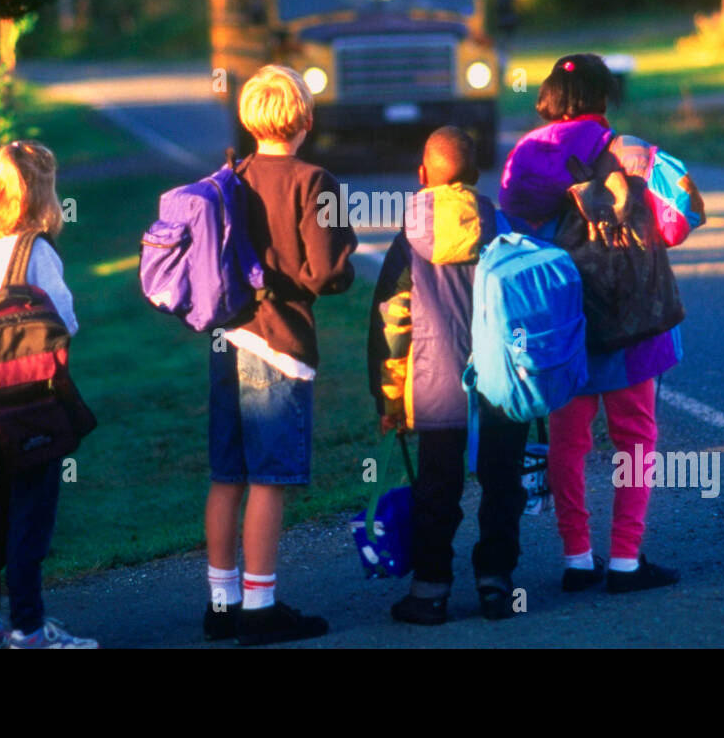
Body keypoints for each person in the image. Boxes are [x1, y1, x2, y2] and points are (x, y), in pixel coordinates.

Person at [499, 54, 701, 594]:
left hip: (563, 321)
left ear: (549, 97)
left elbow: (511, 233)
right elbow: (678, 223)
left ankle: (577, 559)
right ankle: (627, 562)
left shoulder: (524, 155)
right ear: (603, 97)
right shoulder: (631, 150)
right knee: (635, 439)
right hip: (633, 315)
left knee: (568, 443)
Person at [203, 65, 357, 646]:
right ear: (307, 120)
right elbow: (327, 272)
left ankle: (222, 602)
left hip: (227, 336)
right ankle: (261, 607)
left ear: (249, 117)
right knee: (269, 477)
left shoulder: (233, 175)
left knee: (228, 473)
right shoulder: (314, 180)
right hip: (278, 343)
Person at [368, 126, 528, 624]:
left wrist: (390, 400)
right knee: (503, 484)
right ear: (476, 176)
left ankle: (430, 591)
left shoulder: (408, 241)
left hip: (435, 391)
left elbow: (393, 327)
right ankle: (496, 584)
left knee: (437, 490)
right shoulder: (503, 225)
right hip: (502, 387)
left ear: (422, 176)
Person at [0, 139, 97, 649]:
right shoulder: (37, 252)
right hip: (32, 408)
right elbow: (66, 323)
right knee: (30, 517)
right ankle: (30, 627)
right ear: (43, 195)